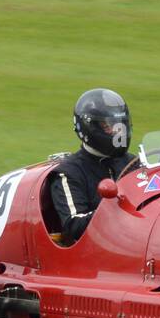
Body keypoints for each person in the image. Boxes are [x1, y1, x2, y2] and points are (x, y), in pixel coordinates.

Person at [50, 88, 133, 244]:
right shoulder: (68, 173)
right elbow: (74, 225)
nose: (117, 132)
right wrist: (115, 212)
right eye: (108, 126)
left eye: (120, 125)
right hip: (99, 251)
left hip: (139, 239)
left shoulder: (134, 164)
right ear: (88, 127)